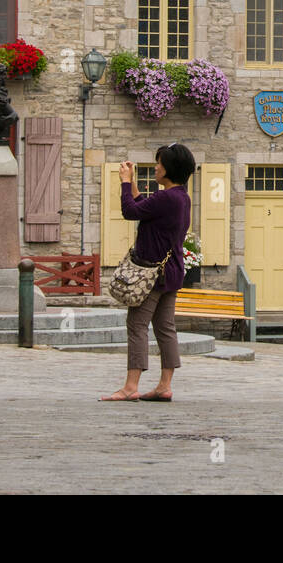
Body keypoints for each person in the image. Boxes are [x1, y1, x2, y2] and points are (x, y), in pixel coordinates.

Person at [102, 144, 194, 401]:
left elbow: (130, 211)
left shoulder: (165, 198)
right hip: (172, 271)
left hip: (152, 273)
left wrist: (123, 182)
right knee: (165, 328)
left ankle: (131, 386)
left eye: (160, 163)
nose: (156, 167)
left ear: (170, 168)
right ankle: (164, 385)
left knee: (137, 325)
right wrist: (132, 184)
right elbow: (143, 205)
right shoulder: (181, 197)